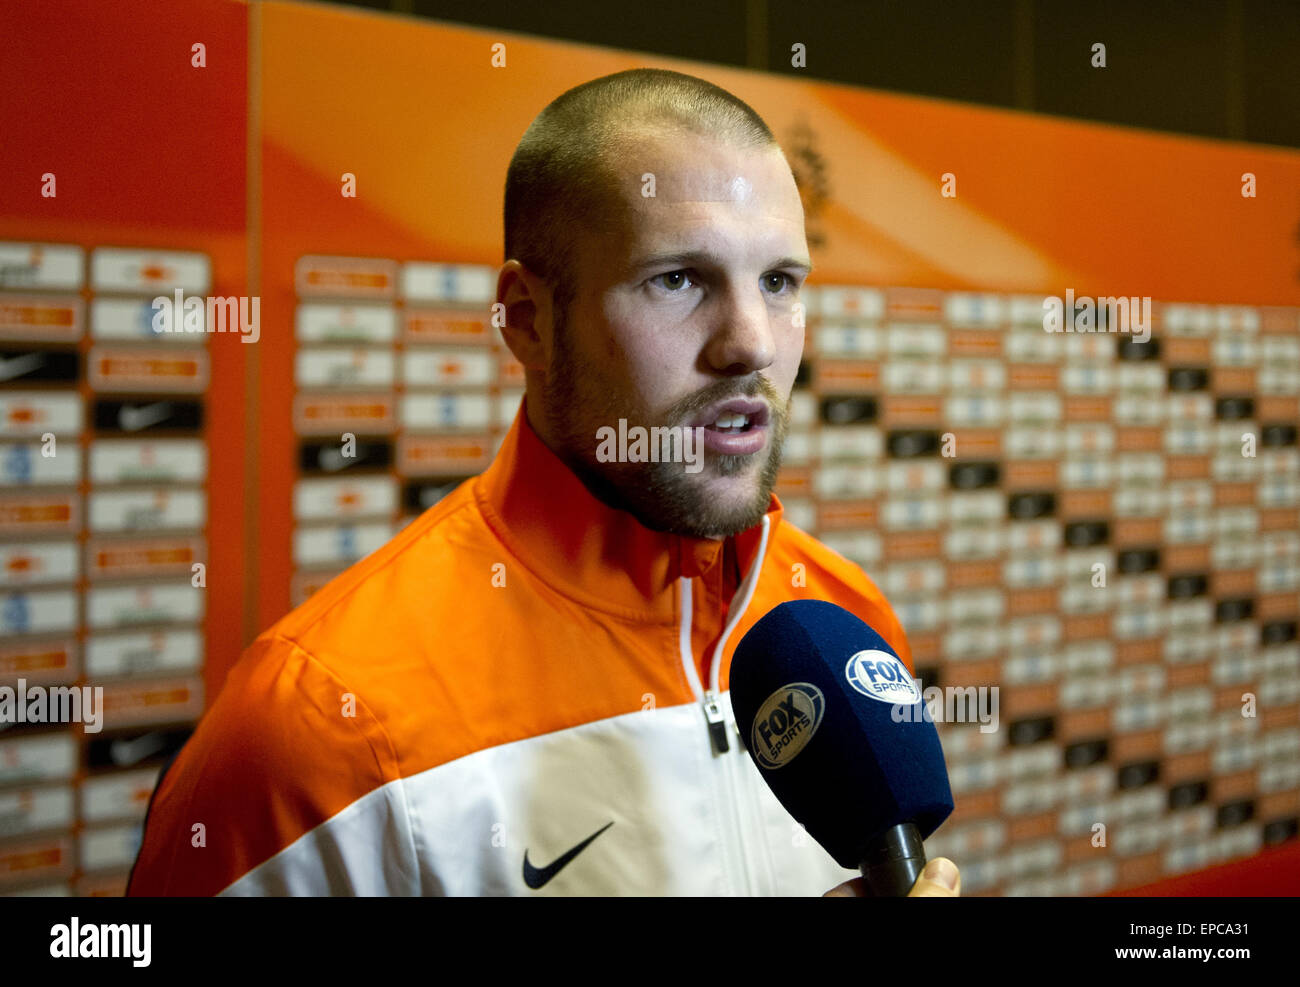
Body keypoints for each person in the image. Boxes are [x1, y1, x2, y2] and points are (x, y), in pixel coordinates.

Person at [127, 68, 960, 897]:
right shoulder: (315, 724)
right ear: (528, 320)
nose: (752, 343)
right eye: (677, 279)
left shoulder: (848, 625)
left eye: (779, 282)